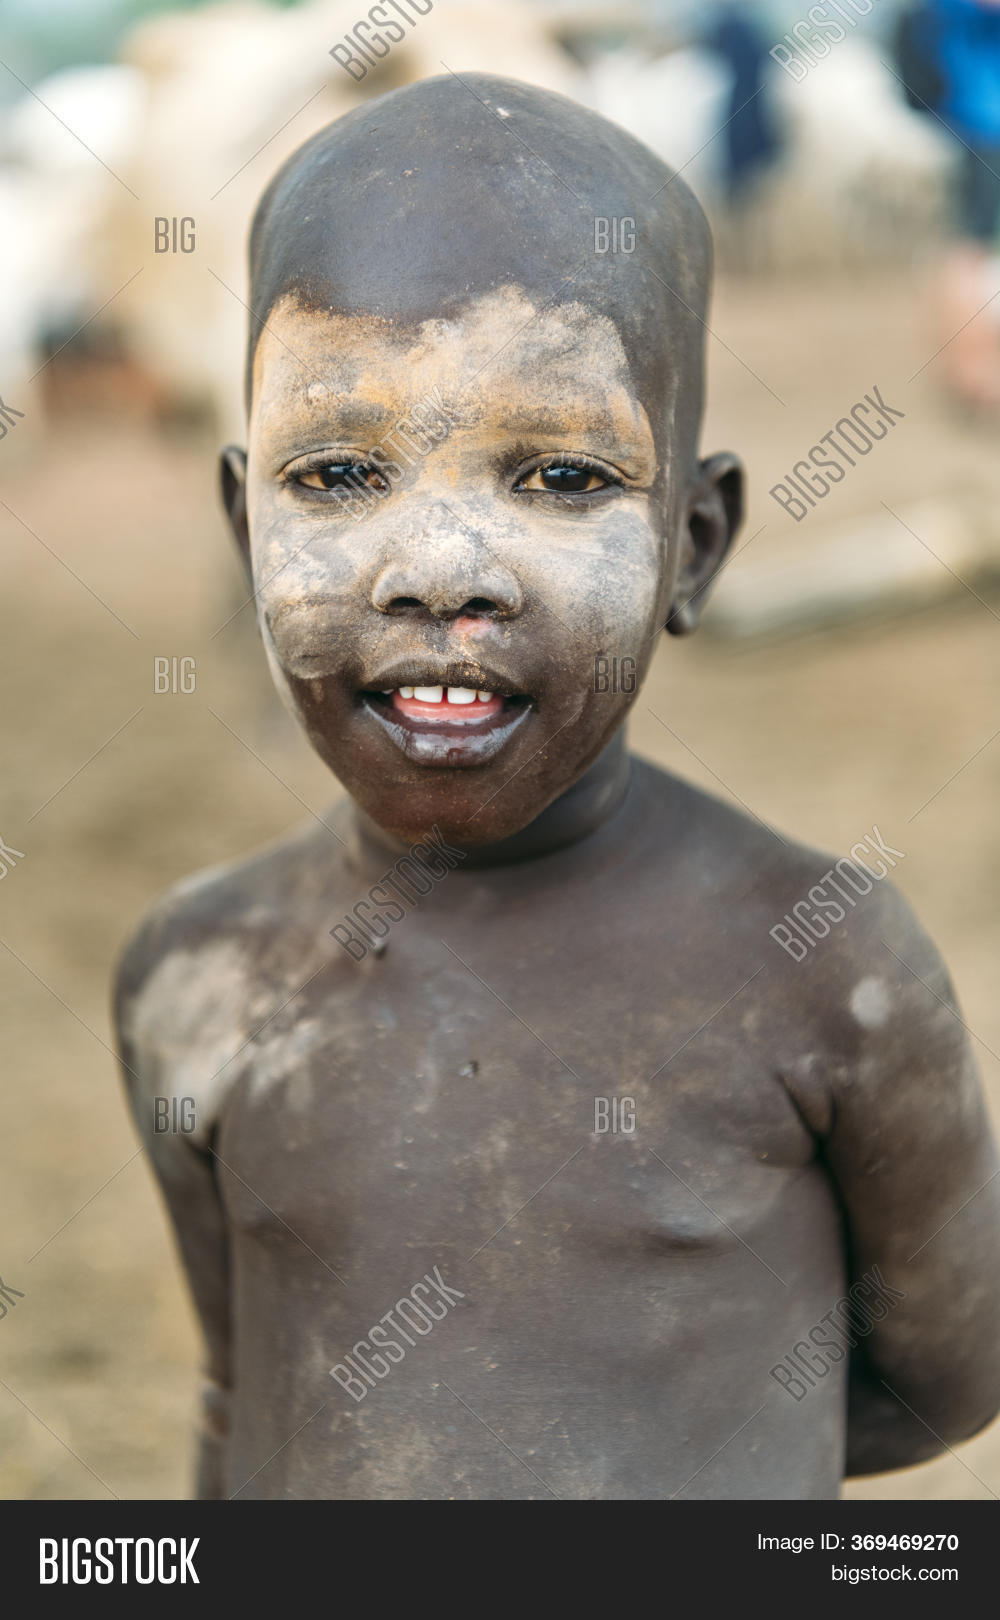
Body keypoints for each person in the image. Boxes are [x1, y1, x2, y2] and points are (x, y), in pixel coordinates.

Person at [114, 73, 1000, 1499]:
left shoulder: (827, 970)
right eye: (337, 475)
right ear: (243, 523)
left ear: (692, 544)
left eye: (563, 477)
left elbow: (944, 1373)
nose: (443, 571)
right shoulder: (200, 980)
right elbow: (246, 1391)